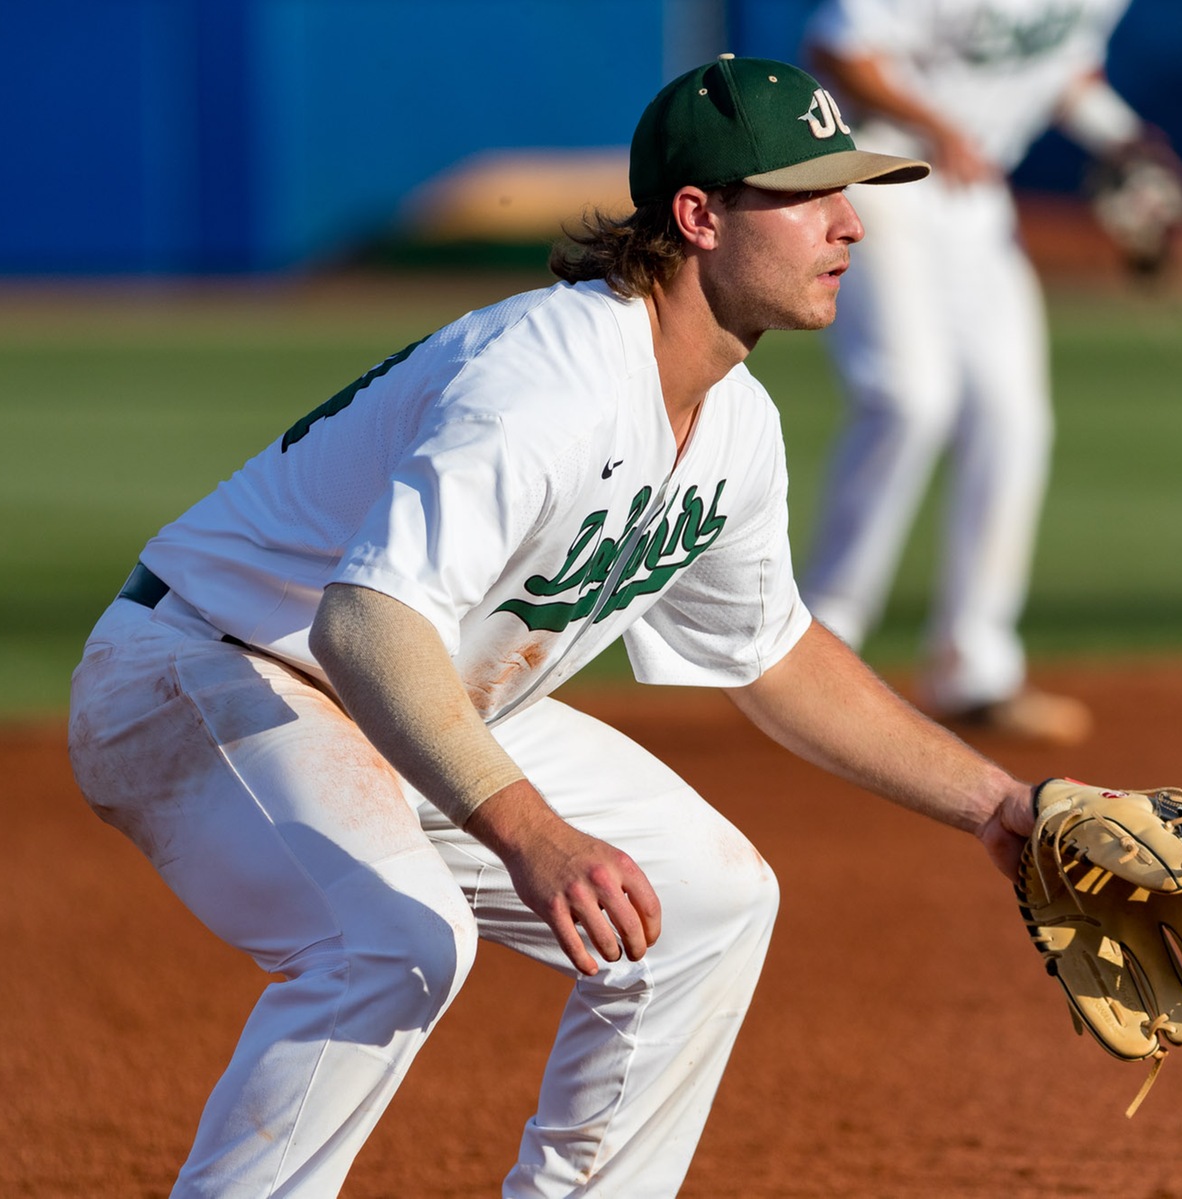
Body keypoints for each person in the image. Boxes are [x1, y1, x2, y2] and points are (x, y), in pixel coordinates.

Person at [68, 54, 1047, 1199]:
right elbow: (366, 625)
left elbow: (774, 655)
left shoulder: (736, 423)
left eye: (850, 192)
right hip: (206, 669)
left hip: (402, 699)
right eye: (807, 194)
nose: (851, 225)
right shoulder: (553, 375)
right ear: (700, 217)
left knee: (711, 898)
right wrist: (532, 832)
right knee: (394, 938)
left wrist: (998, 807)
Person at [799, 0, 1182, 743]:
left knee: (1015, 421)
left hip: (976, 200)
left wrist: (1123, 137)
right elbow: (839, 49)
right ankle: (815, 642)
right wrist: (941, 126)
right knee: (911, 399)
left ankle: (973, 665)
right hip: (882, 175)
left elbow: (1062, 66)